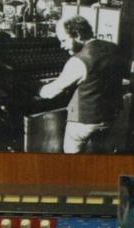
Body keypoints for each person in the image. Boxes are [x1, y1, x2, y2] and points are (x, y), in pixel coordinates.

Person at [38, 16, 126, 153]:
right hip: (110, 119)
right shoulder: (114, 48)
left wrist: (37, 88)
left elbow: (50, 93)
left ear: (78, 35)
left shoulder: (79, 61)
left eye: (64, 40)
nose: (61, 46)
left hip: (84, 123)